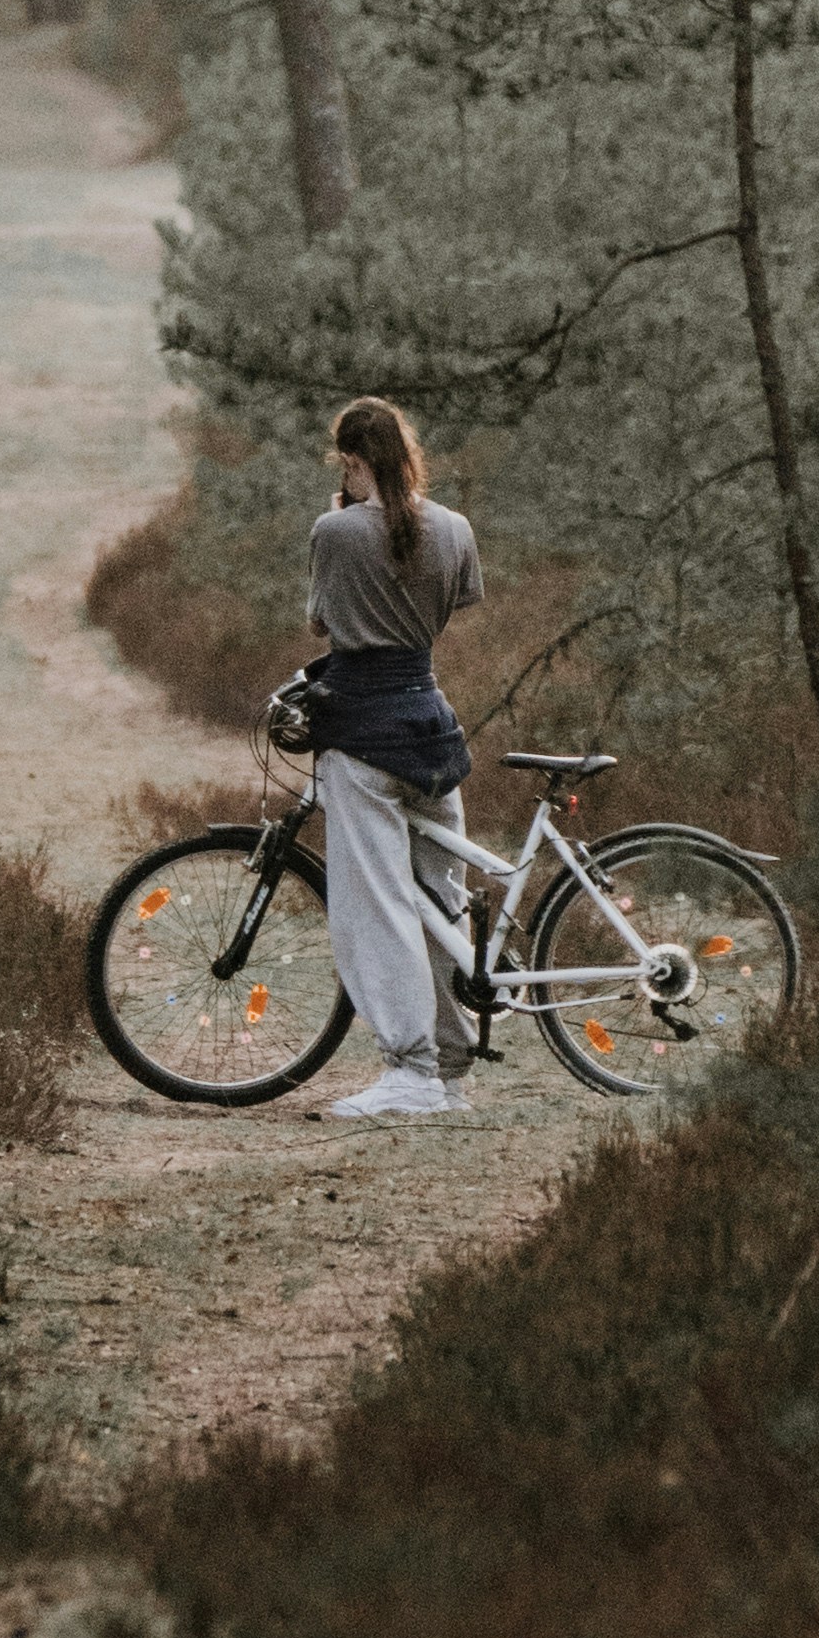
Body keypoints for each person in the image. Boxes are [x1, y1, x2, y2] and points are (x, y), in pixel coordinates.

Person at [293, 397, 481, 1124]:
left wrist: (340, 516)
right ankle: (451, 1069)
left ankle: (411, 1070)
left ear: (352, 461)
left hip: (363, 730)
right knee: (442, 903)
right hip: (431, 725)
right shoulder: (455, 528)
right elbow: (451, 604)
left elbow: (322, 622)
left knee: (378, 904)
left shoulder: (336, 532)